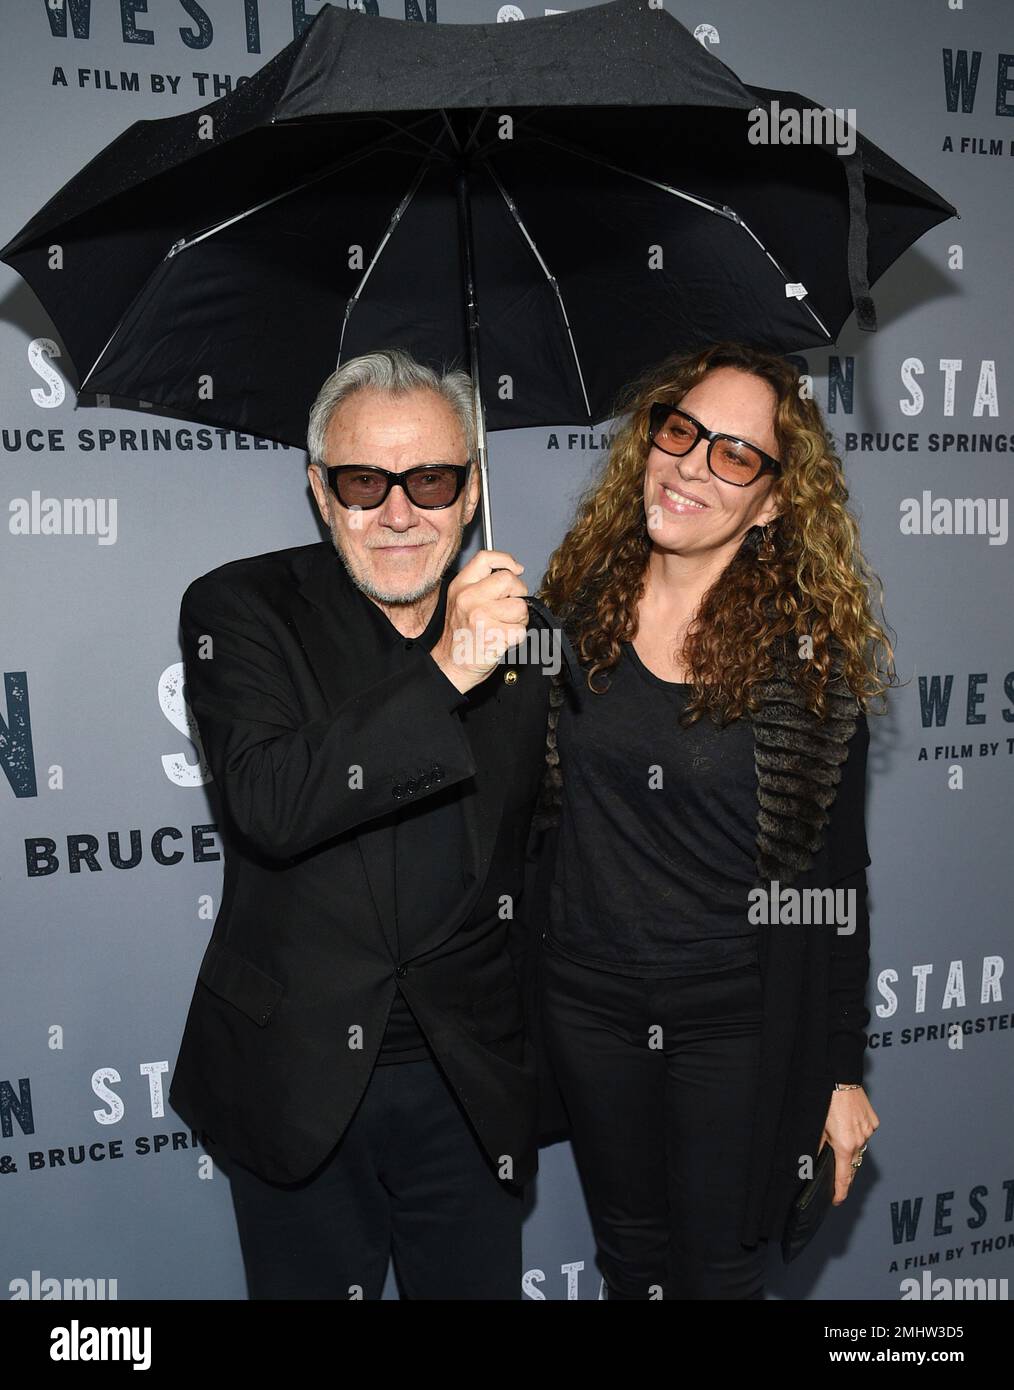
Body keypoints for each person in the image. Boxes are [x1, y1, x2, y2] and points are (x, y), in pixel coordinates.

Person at [168, 347, 552, 1299]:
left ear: (470, 493)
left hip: (472, 1091)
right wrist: (449, 670)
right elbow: (268, 801)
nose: (397, 512)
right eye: (361, 481)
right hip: (296, 1083)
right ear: (317, 489)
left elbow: (565, 852)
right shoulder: (239, 608)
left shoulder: (530, 636)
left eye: (429, 479)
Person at [531, 341, 889, 1299]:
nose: (691, 463)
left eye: (735, 453)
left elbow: (836, 887)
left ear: (774, 500)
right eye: (681, 431)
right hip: (590, 1007)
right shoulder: (562, 622)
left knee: (719, 1280)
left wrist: (842, 1072)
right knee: (631, 1266)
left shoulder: (808, 666)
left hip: (735, 1022)